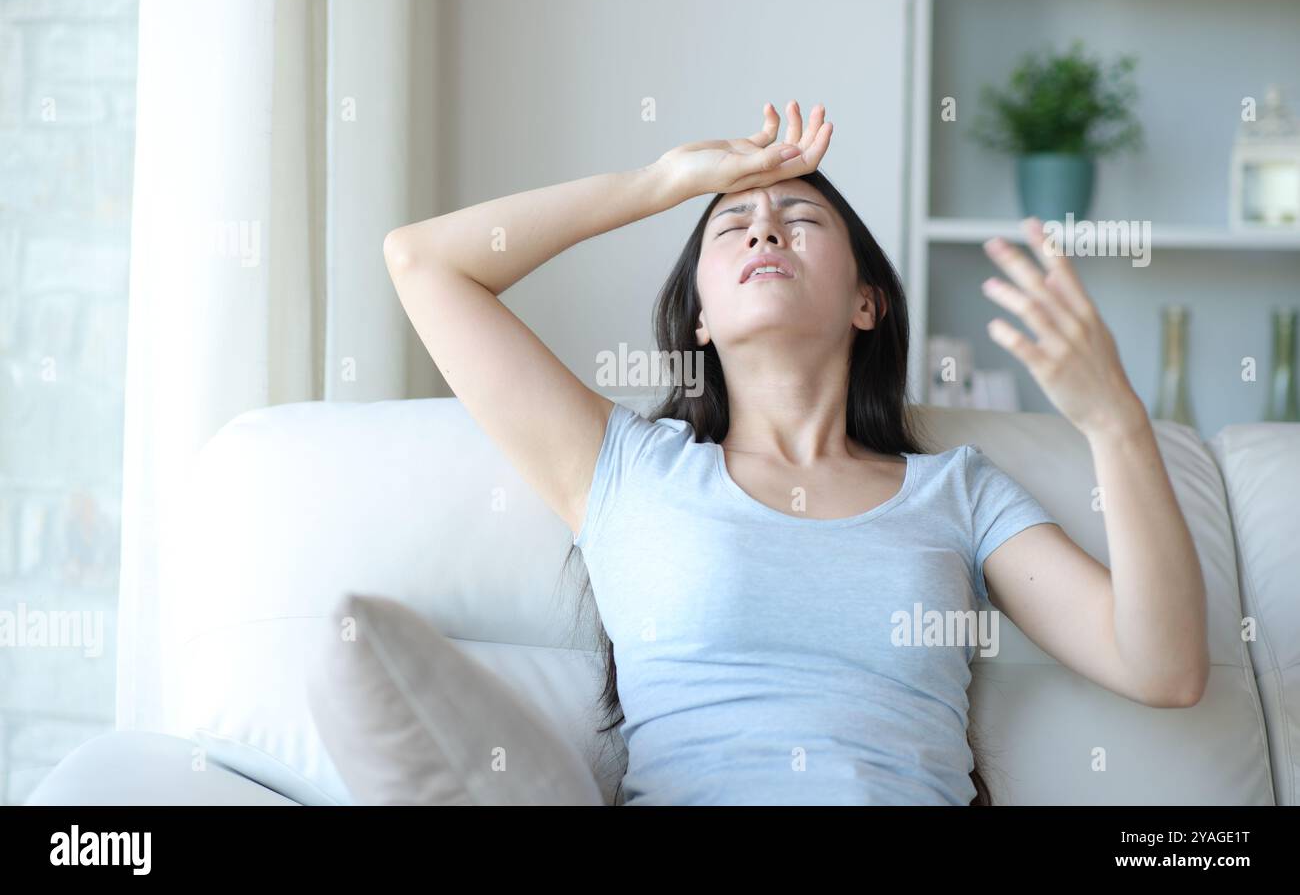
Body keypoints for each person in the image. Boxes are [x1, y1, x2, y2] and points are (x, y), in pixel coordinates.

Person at [382, 100, 1209, 805]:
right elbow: (424, 263)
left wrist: (1116, 423)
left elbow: (1163, 667)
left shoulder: (959, 493)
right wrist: (663, 183)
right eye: (730, 222)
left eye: (802, 218)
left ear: (865, 302)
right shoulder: (627, 468)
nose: (764, 226)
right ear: (699, 318)